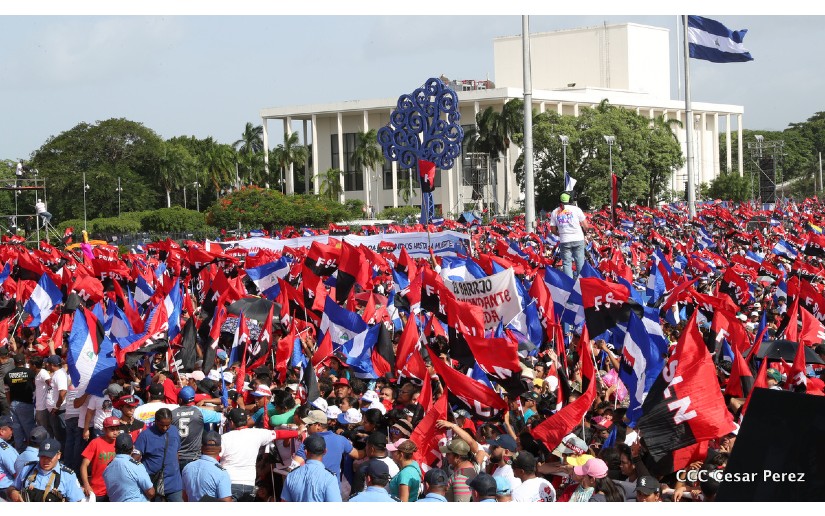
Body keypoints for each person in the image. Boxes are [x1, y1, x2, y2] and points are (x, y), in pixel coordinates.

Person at [220, 407, 298, 501]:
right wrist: (298, 432)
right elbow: (279, 434)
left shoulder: (224, 438)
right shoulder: (257, 433)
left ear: (231, 422)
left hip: (229, 484)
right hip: (249, 485)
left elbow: (214, 458)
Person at [293, 409, 364, 482]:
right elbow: (358, 455)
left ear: (318, 425)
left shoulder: (309, 441)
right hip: (334, 488)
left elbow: (294, 465)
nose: (306, 427)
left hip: (313, 487)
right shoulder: (341, 440)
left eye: (309, 425)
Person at [7, 438, 85, 502]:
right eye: (43, 456)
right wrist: (13, 493)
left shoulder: (67, 476)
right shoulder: (27, 469)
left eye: (49, 457)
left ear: (58, 455)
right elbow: (12, 488)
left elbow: (78, 502)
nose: (46, 461)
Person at [134, 407, 183, 502]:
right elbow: (135, 458)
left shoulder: (174, 431)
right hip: (153, 484)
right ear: (155, 421)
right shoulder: (145, 435)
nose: (165, 428)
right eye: (162, 425)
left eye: (167, 425)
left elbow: (176, 452)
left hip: (174, 483)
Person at [171, 386, 222, 471]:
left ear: (180, 400)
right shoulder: (200, 412)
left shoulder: (172, 414)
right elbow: (220, 417)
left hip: (177, 457)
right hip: (194, 457)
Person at [281, 434, 341, 502]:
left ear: (305, 452)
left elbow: (284, 501)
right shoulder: (330, 478)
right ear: (325, 451)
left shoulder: (291, 475)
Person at [103, 432, 155, 502]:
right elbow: (151, 492)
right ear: (132, 448)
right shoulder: (136, 466)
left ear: (115, 449)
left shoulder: (108, 468)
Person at [79, 416, 121, 501]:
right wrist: (86, 485)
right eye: (112, 429)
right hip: (98, 490)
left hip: (116, 490)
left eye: (117, 429)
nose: (115, 432)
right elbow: (84, 465)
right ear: (104, 430)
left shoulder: (121, 442)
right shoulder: (95, 443)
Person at [549, 192, 591, 279]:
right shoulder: (576, 209)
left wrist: (560, 234)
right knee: (580, 262)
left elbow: (553, 230)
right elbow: (586, 226)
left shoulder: (555, 212)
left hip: (565, 240)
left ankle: (569, 285)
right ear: (570, 200)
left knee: (566, 263)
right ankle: (581, 284)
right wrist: (584, 233)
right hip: (578, 239)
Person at [181, 431, 232, 502]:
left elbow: (184, 496)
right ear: (220, 449)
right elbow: (226, 501)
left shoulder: (187, 468)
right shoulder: (221, 473)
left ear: (201, 448)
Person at [4, 353, 35, 452]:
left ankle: (19, 452)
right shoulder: (30, 372)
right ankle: (32, 451)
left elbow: (7, 391)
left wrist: (9, 404)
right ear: (24, 361)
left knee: (17, 429)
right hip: (27, 404)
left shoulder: (8, 375)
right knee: (29, 428)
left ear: (15, 362)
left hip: (13, 404)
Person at [441, 438, 478, 502]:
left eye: (448, 454)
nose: (446, 456)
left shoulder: (461, 478)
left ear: (457, 457)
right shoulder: (469, 469)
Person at [44, 355, 67, 444]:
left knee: (61, 435)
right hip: (54, 410)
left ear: (52, 365)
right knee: (58, 434)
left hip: (59, 411)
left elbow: (63, 392)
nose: (46, 365)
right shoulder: (57, 373)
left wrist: (56, 407)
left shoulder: (60, 375)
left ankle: (63, 456)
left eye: (48, 363)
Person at [0, 415, 18, 499]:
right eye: (11, 429)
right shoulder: (5, 449)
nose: (12, 432)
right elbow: (17, 473)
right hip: (5, 490)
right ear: (2, 431)